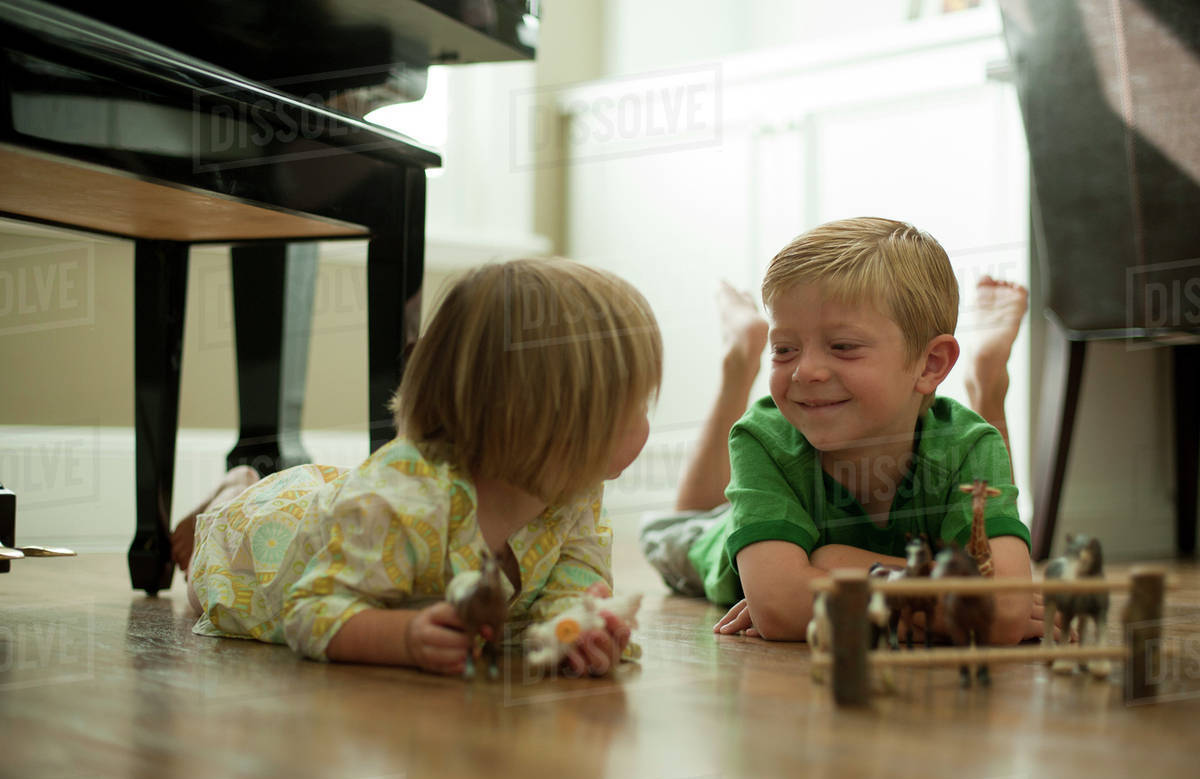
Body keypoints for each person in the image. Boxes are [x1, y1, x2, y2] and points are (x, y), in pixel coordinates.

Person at [173, 257, 662, 677]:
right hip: (258, 550)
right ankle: (232, 494)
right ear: (552, 422)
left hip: (340, 510)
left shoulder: (574, 492)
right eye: (637, 404)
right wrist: (401, 636)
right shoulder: (402, 500)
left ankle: (242, 485)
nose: (647, 420)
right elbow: (309, 612)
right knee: (202, 584)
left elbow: (573, 587)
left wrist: (580, 632)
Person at [641, 217, 1042, 645]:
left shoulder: (971, 444)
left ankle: (987, 380)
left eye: (843, 347)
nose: (806, 371)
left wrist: (838, 564)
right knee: (677, 528)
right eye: (784, 349)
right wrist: (953, 600)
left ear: (930, 364)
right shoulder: (764, 438)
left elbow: (1005, 607)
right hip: (711, 540)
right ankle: (740, 359)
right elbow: (779, 607)